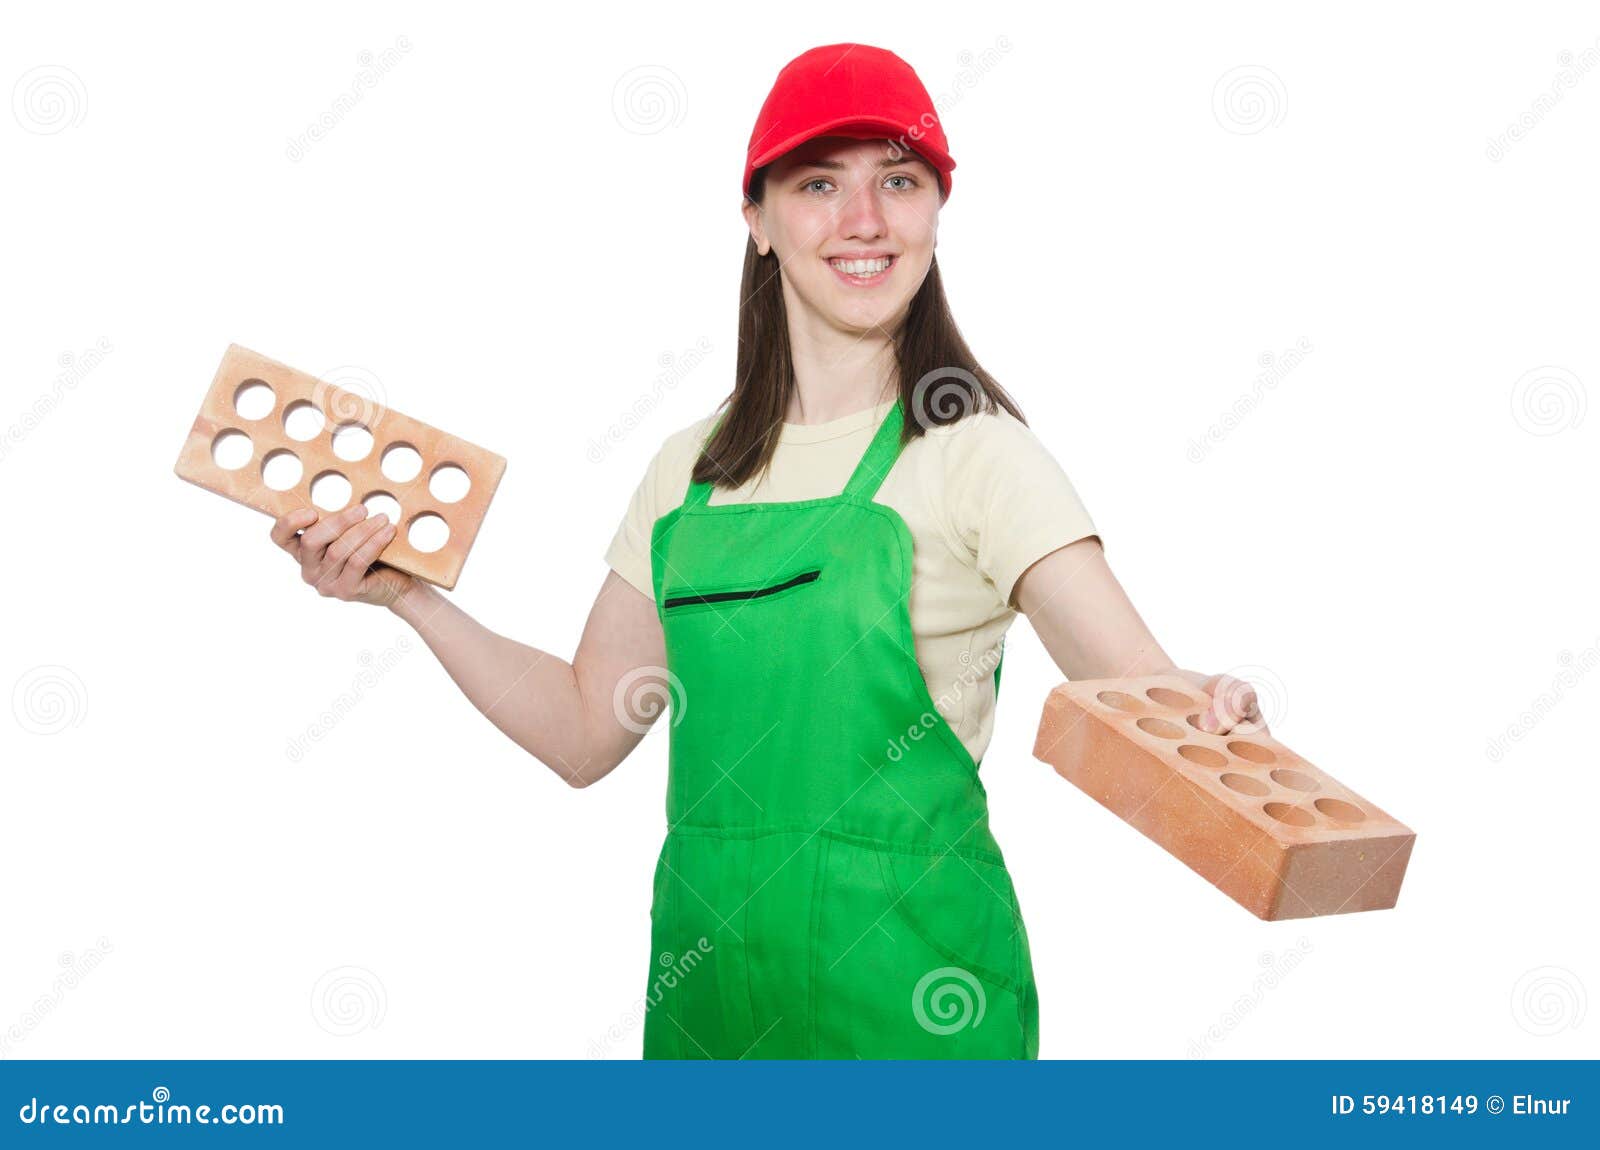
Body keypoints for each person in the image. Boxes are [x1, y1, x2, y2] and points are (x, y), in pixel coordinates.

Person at [268, 43, 1267, 1059]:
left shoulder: (977, 455)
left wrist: (1209, 707)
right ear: (757, 218)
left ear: (934, 213)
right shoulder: (689, 469)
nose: (864, 220)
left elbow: (1141, 699)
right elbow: (582, 729)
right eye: (820, 183)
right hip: (714, 997)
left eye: (898, 182)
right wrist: (409, 598)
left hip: (915, 1003)